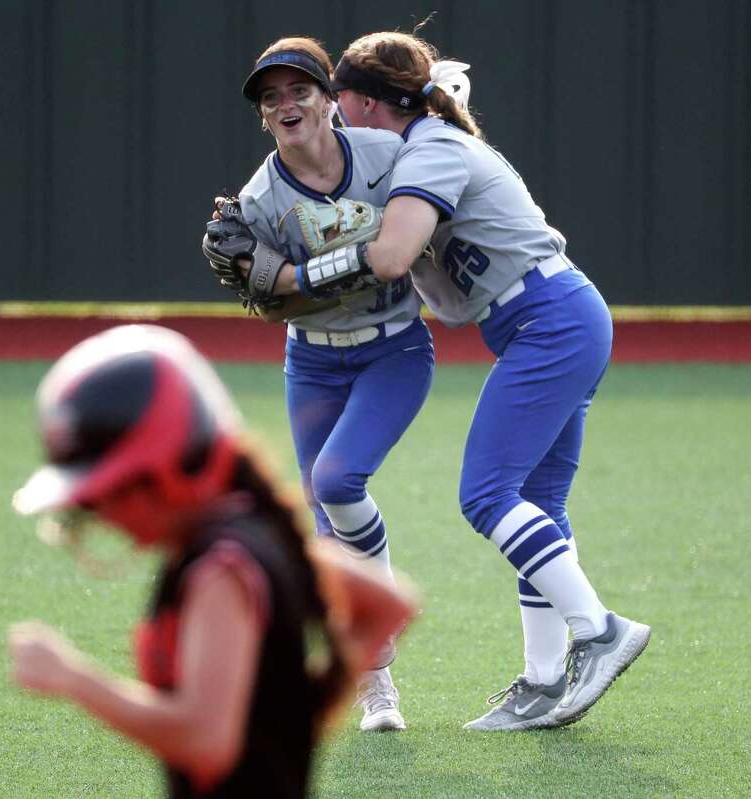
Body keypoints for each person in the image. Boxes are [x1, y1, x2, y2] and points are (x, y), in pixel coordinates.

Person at [230, 31, 651, 731]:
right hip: (544, 317)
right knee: (538, 499)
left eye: (324, 93)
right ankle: (544, 681)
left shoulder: (422, 146)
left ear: (353, 101)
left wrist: (296, 276)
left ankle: (599, 631)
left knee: (486, 493)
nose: (299, 106)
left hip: (547, 317)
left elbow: (393, 255)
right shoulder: (413, 141)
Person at [6, 324, 418, 798]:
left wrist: (73, 678)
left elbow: (206, 743)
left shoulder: (220, 568)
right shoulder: (258, 532)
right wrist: (304, 713)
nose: (102, 516)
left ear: (166, 471)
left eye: (106, 495)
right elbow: (390, 603)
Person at [202, 37, 433, 731]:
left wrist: (305, 275)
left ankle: (380, 630)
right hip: (313, 360)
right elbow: (277, 303)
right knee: (326, 525)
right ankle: (377, 685)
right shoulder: (262, 199)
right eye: (270, 98)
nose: (286, 104)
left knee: (335, 481)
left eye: (299, 89)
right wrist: (278, 286)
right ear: (263, 118)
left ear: (330, 98)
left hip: (393, 349)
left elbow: (422, 232)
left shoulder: (387, 156)